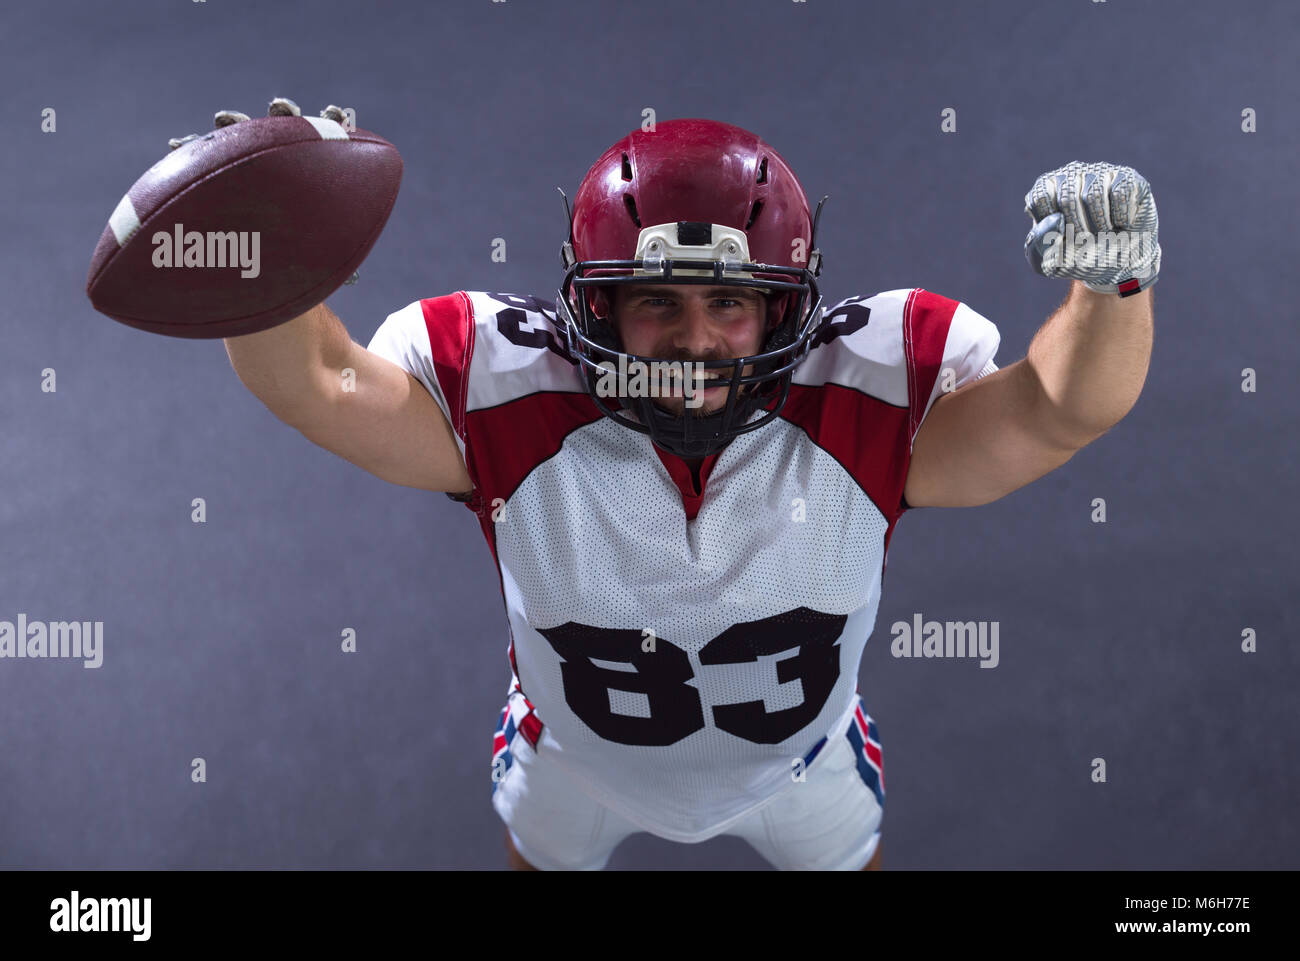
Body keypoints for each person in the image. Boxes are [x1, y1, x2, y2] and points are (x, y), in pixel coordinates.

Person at [225, 118, 1157, 870]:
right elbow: (318, 383)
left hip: (802, 762)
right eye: (657, 302)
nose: (697, 341)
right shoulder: (513, 396)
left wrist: (1113, 286)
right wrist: (272, 257)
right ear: (598, 309)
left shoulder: (860, 394)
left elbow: (1055, 407)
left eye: (730, 303)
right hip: (574, 760)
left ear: (784, 309)